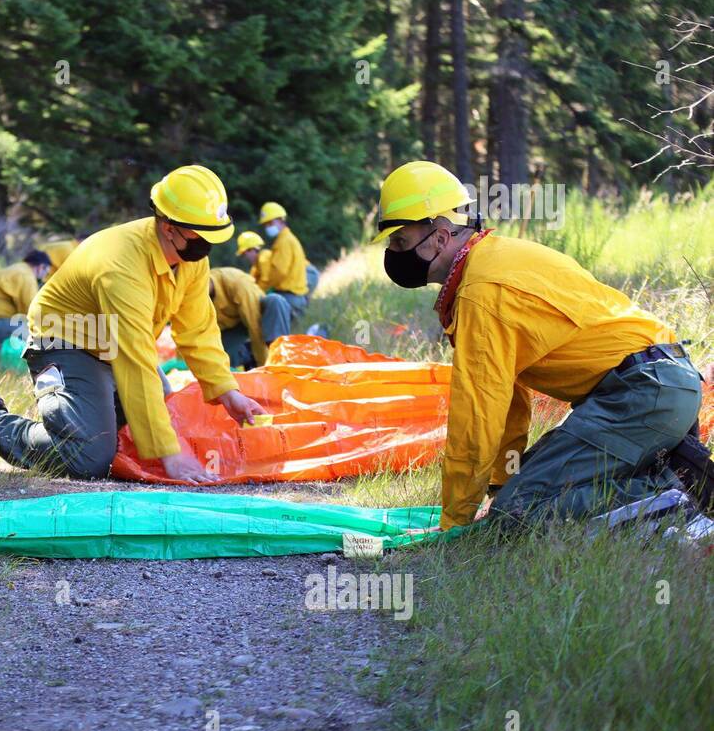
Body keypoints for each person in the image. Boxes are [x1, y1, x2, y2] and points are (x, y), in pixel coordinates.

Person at [375, 159, 709, 531]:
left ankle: (675, 486)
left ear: (438, 236)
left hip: (642, 392)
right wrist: (501, 482)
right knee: (514, 498)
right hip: (655, 386)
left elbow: (477, 416)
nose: (395, 255)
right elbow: (507, 399)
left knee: (517, 515)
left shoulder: (482, 292)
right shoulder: (492, 262)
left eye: (401, 241)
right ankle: (660, 467)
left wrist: (454, 524)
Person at [0, 164, 265, 483]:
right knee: (89, 457)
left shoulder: (191, 261)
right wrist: (170, 453)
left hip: (108, 343)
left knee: (158, 411)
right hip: (63, 340)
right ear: (168, 227)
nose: (209, 244)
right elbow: (134, 360)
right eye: (202, 234)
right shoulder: (122, 265)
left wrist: (226, 390)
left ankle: (89, 420)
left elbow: (197, 330)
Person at [208, 266, 289, 369]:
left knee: (276, 302)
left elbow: (255, 326)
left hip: (259, 317)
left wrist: (264, 368)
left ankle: (278, 358)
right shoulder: (197, 299)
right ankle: (249, 354)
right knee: (216, 357)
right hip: (234, 326)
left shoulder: (235, 281)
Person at [254, 200, 318, 320]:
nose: (268, 227)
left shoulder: (284, 242)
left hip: (289, 297)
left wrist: (261, 290)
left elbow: (279, 272)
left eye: (270, 223)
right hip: (294, 297)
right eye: (266, 224)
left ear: (281, 220)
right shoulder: (287, 239)